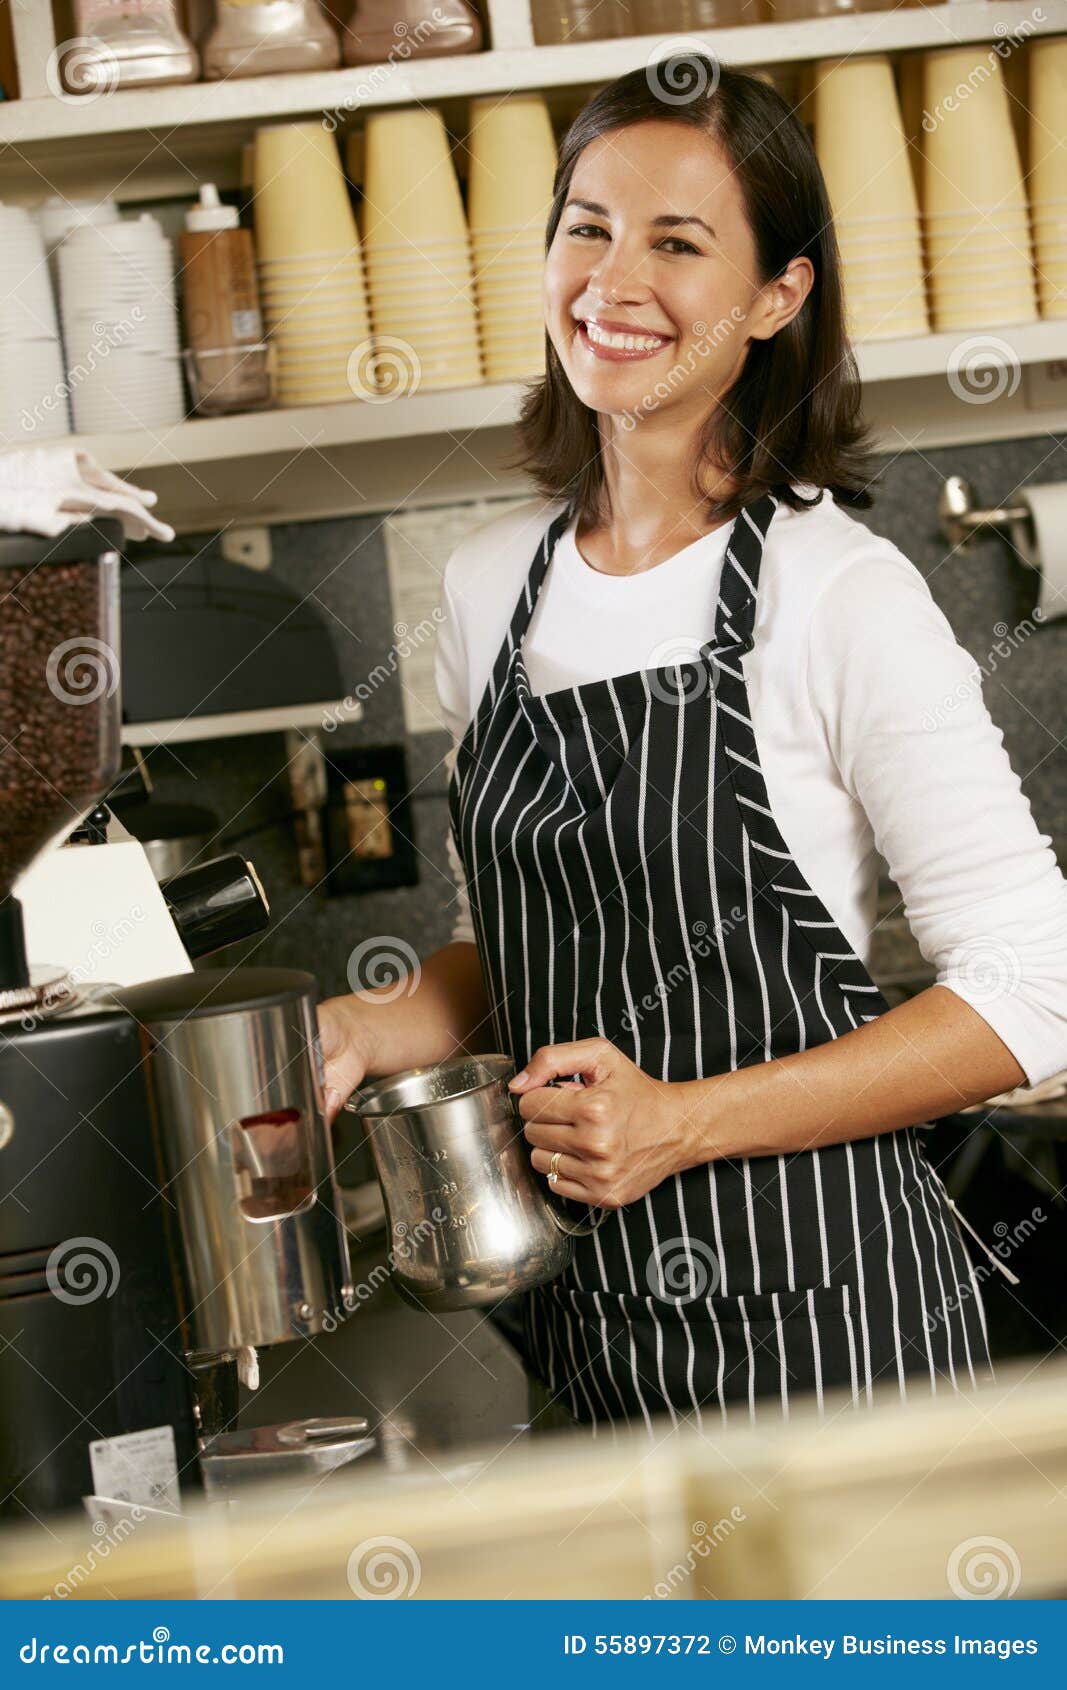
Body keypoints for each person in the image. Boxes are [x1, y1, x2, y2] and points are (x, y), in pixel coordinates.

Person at [318, 56, 1067, 1432]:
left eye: (679, 243)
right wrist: (374, 1023)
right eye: (587, 226)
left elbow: (1039, 981)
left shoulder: (840, 591)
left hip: (832, 1335)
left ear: (778, 296)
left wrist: (685, 1118)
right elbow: (543, 937)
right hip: (590, 1338)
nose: (613, 281)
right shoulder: (490, 590)